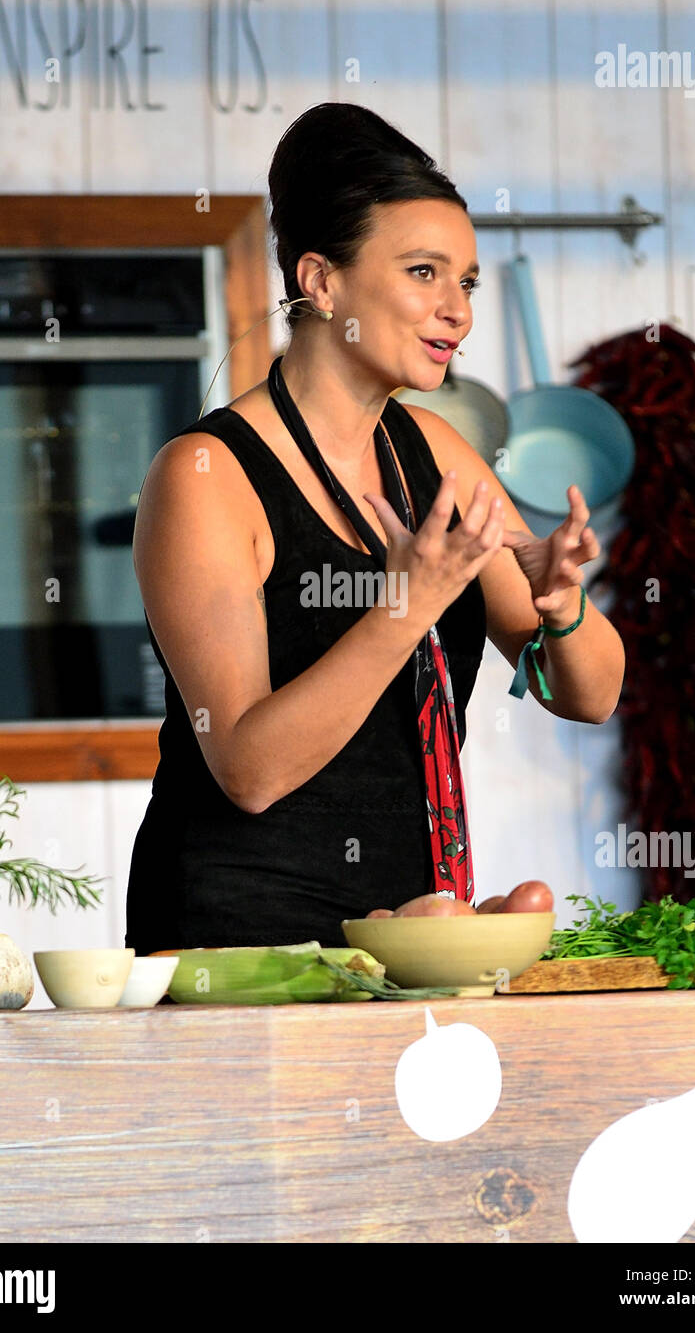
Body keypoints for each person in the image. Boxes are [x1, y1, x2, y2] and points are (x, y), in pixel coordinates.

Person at [125, 102, 625, 953]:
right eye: (424, 273)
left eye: (465, 282)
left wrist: (561, 605)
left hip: (409, 928)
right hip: (241, 941)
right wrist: (406, 607)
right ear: (322, 282)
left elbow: (588, 695)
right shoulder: (206, 478)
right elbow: (248, 771)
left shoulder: (438, 453)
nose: (457, 312)